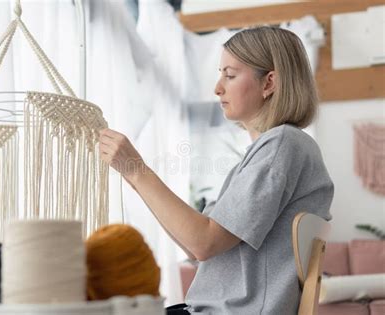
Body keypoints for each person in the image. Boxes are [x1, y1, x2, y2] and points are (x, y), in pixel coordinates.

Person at [98, 26, 334, 315]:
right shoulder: (272, 151)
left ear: (269, 83)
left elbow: (203, 244)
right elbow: (194, 245)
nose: (217, 87)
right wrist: (134, 177)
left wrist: (136, 171)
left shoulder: (282, 145)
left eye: (230, 75)